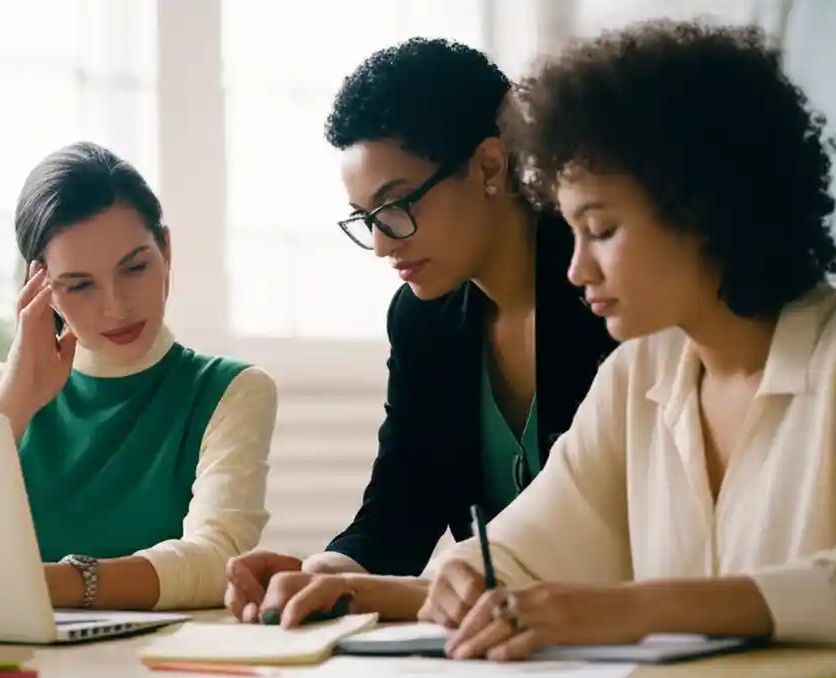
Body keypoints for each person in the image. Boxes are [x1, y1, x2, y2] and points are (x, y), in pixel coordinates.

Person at [244, 18, 836, 651]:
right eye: (574, 231)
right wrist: (351, 587)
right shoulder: (638, 372)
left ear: (707, 206)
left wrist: (635, 608)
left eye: (602, 230)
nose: (578, 268)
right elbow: (519, 554)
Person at [224, 38, 616, 623]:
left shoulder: (606, 289)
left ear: (489, 165)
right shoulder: (422, 318)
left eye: (397, 205)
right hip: (495, 647)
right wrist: (324, 573)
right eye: (365, 219)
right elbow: (402, 504)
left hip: (606, 626)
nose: (382, 243)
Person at [0, 141, 278, 611]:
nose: (116, 306)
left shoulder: (231, 391)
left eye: (136, 268)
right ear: (41, 288)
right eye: (80, 285)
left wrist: (50, 584)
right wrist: (14, 407)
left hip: (165, 671)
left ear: (166, 248)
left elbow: (218, 559)